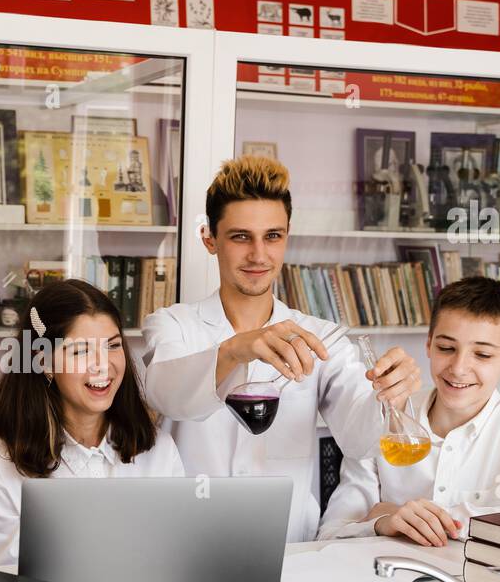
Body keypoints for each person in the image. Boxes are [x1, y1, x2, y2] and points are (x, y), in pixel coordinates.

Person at [141, 155, 422, 543]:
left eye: (272, 236)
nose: (259, 255)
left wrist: (391, 396)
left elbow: (361, 440)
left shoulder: (322, 338)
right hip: (186, 542)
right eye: (241, 237)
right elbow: (168, 396)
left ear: (287, 237)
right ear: (209, 239)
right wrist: (236, 349)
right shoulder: (173, 324)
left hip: (288, 547)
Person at [317, 276, 500, 545]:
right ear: (428, 345)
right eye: (446, 348)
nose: (458, 368)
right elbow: (330, 534)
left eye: (482, 355)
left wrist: (408, 517)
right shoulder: (387, 415)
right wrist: (382, 523)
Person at [0, 279, 185, 569]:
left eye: (112, 346)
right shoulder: (5, 467)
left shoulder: (158, 450)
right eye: (80, 351)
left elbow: (176, 557)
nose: (103, 365)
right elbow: (3, 580)